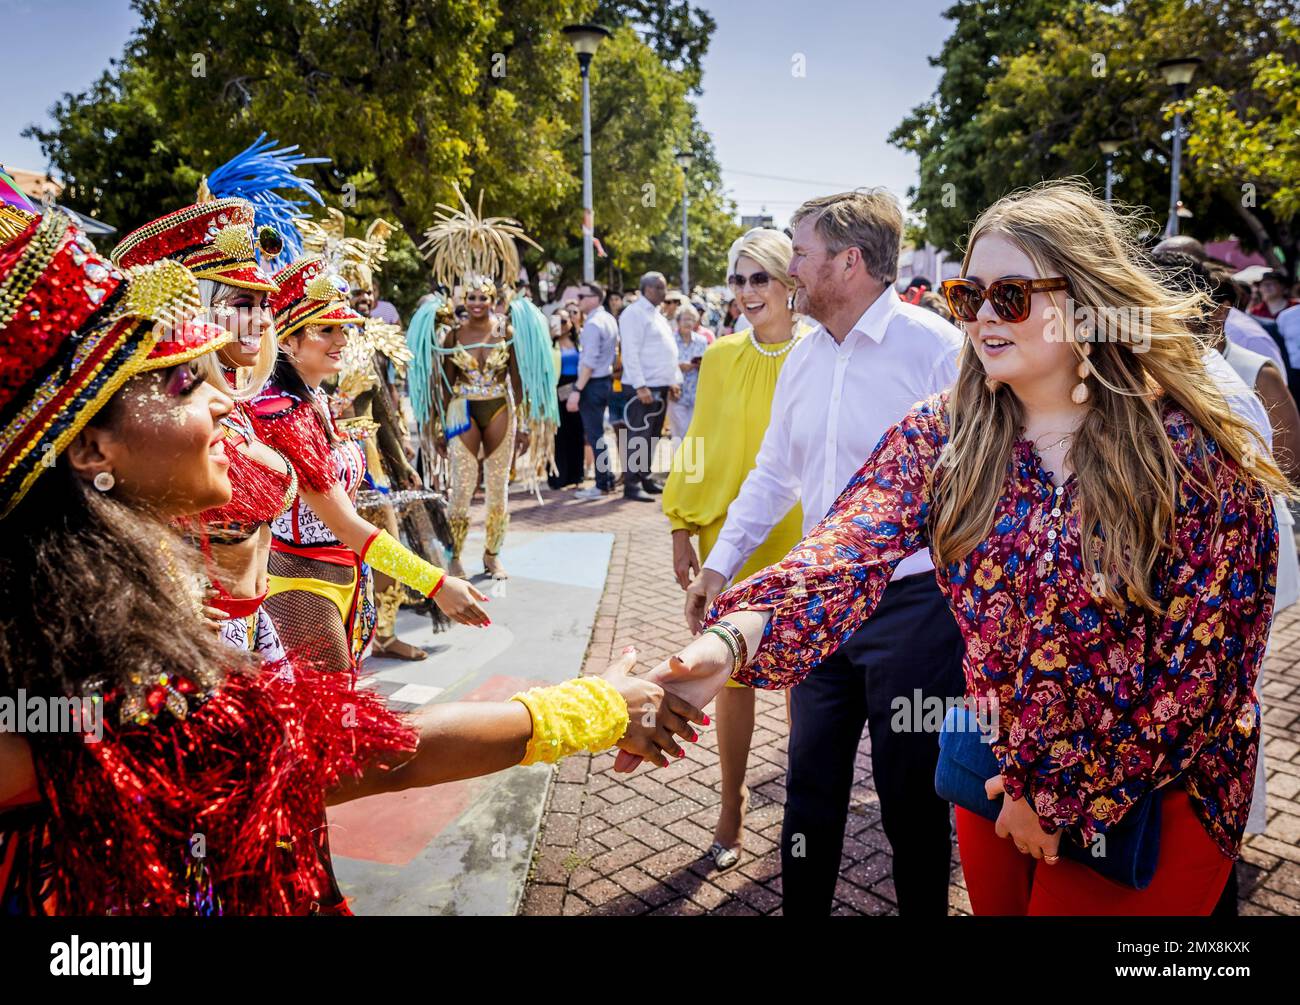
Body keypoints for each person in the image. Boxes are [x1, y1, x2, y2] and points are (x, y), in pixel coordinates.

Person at [0, 212, 709, 915]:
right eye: (183, 381)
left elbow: (350, 529)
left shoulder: (116, 581)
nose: (217, 393)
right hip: (284, 612)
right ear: (90, 449)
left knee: (284, 810)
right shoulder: (96, 671)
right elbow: (362, 752)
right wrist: (593, 706)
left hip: (264, 627)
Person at [646, 182, 1287, 916]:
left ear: (1085, 301)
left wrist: (1057, 793)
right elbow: (848, 543)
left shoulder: (1190, 457)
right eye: (967, 295)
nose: (981, 317)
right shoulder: (949, 431)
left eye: (1009, 296)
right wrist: (730, 641)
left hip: (1153, 793)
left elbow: (1207, 670)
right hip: (993, 768)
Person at [676, 190, 966, 915]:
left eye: (800, 254)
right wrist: (720, 564)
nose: (790, 270)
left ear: (850, 261)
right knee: (809, 787)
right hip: (818, 605)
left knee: (911, 798)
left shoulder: (937, 350)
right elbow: (774, 473)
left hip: (916, 609)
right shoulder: (803, 358)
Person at [252, 256, 486, 676]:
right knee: (328, 725)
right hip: (301, 585)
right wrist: (434, 582)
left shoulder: (315, 401)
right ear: (287, 341)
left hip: (339, 577)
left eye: (343, 327)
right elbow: (343, 523)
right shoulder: (282, 413)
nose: (341, 338)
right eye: (326, 329)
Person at [662, 227, 809, 871]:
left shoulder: (822, 352)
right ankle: (732, 806)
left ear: (789, 283)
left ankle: (808, 811)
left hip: (809, 535)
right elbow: (699, 441)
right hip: (733, 536)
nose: (748, 291)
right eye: (739, 278)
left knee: (810, 680)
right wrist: (680, 524)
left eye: (761, 278)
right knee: (734, 675)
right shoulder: (719, 356)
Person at [110, 196, 294, 662]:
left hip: (260, 624)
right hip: (202, 638)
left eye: (265, 303)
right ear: (199, 308)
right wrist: (171, 592)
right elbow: (116, 511)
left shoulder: (233, 406)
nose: (265, 319)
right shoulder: (172, 416)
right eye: (244, 303)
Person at [421, 190, 556, 580]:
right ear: (463, 298)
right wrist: (435, 427)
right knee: (462, 488)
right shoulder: (450, 335)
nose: (477, 302)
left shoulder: (508, 331)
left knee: (498, 489)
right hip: (462, 409)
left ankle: (492, 555)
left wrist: (526, 424)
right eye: (471, 297)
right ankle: (455, 556)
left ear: (494, 298)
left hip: (499, 407)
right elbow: (444, 384)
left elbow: (517, 380)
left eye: (484, 296)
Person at [618, 271, 682, 502]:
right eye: (659, 287)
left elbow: (667, 350)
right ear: (647, 289)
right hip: (643, 388)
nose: (664, 293)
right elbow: (630, 352)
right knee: (638, 435)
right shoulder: (634, 314)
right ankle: (631, 483)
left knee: (652, 435)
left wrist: (673, 379)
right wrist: (640, 385)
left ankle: (644, 476)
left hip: (660, 385)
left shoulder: (657, 314)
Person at [570, 281, 621, 499]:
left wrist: (577, 389)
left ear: (594, 298)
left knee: (595, 435)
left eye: (582, 296)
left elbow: (589, 361)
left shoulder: (593, 324)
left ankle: (602, 483)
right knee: (599, 434)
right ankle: (606, 479)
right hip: (605, 380)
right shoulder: (608, 318)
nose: (579, 300)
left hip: (593, 382)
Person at [549, 307, 586, 489]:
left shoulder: (578, 341)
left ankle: (576, 474)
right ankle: (558, 476)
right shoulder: (548, 343)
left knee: (577, 432)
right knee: (558, 434)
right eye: (557, 320)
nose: (561, 325)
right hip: (556, 389)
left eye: (565, 321)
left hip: (577, 388)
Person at [666, 303, 709, 446]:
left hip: (697, 393)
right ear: (678, 321)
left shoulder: (702, 341)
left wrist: (700, 364)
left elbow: (708, 363)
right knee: (680, 432)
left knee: (695, 432)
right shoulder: (670, 340)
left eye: (691, 319)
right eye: (685, 319)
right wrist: (680, 366)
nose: (688, 322)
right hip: (677, 393)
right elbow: (664, 363)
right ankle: (680, 466)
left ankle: (694, 467)